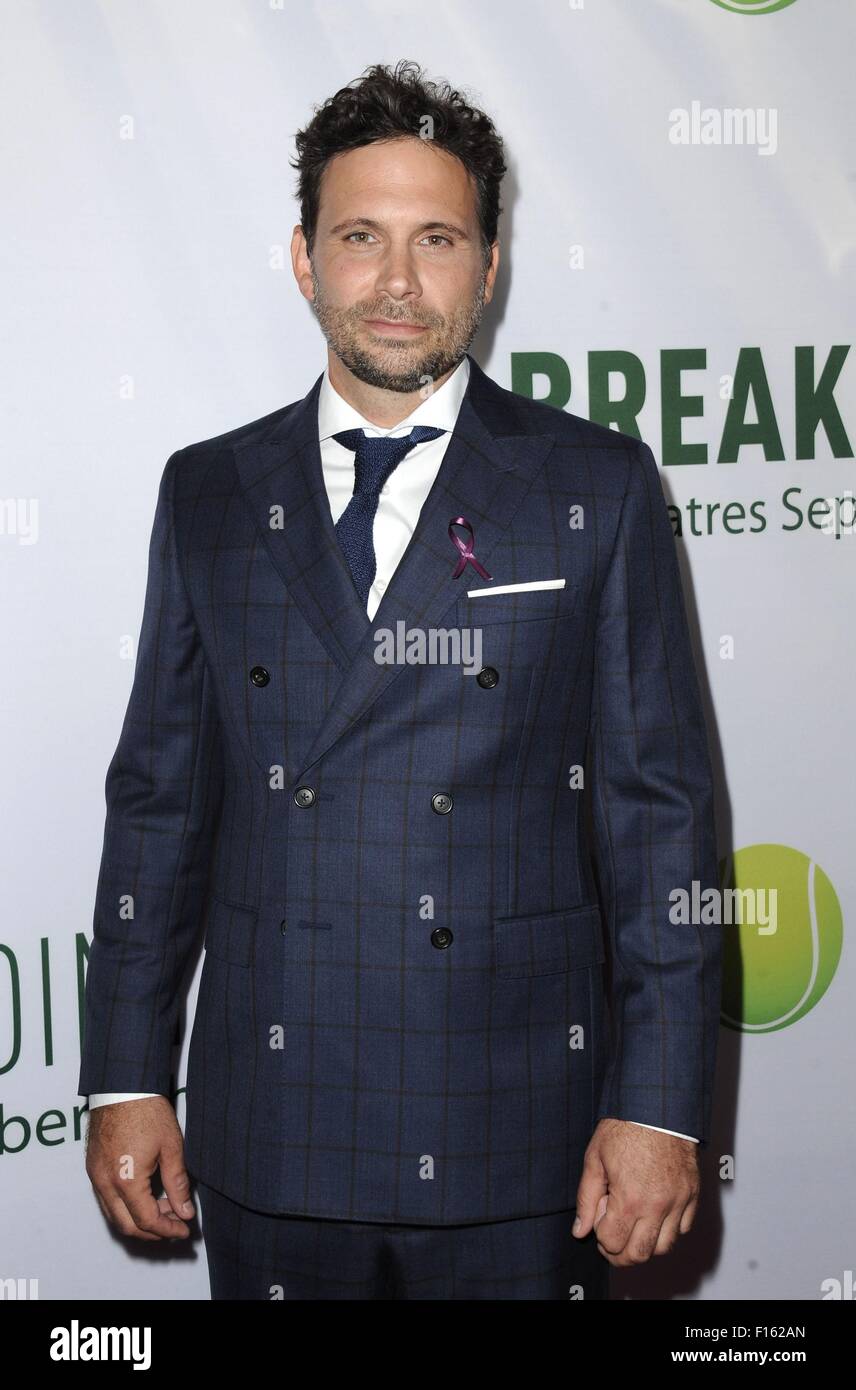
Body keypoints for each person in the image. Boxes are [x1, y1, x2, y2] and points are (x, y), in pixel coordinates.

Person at [80, 59, 721, 1301]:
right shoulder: (207, 491)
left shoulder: (594, 487)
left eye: (437, 238)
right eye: (359, 236)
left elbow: (663, 824)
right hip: (276, 1126)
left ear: (488, 267)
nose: (395, 280)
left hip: (518, 1128)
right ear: (305, 259)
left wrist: (659, 1106)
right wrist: (125, 1073)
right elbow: (158, 806)